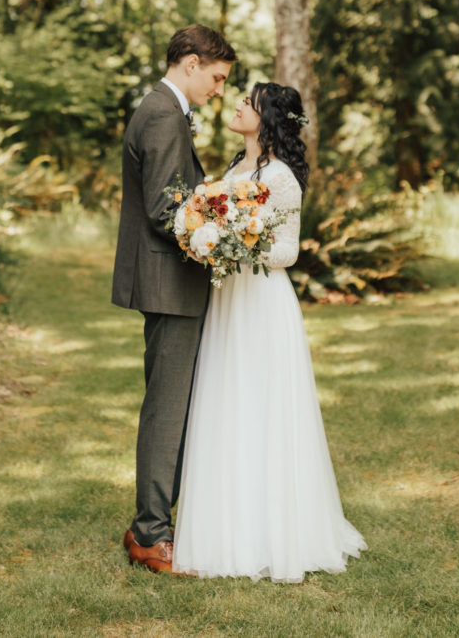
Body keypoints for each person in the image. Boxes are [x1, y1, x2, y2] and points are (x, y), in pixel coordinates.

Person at [170, 82, 366, 582]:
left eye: (247, 102)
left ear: (268, 117)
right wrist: (208, 238)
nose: (236, 104)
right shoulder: (236, 169)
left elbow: (288, 252)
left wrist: (238, 243)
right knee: (227, 402)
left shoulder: (280, 178)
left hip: (261, 301)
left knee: (262, 406)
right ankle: (226, 525)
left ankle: (276, 530)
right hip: (230, 300)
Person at [111, 24, 235, 574]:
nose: (219, 89)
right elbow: (166, 210)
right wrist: (220, 237)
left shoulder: (164, 109)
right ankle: (149, 535)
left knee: (174, 408)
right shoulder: (163, 113)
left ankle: (152, 522)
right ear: (190, 62)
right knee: (167, 412)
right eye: (216, 76)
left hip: (169, 281)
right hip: (169, 281)